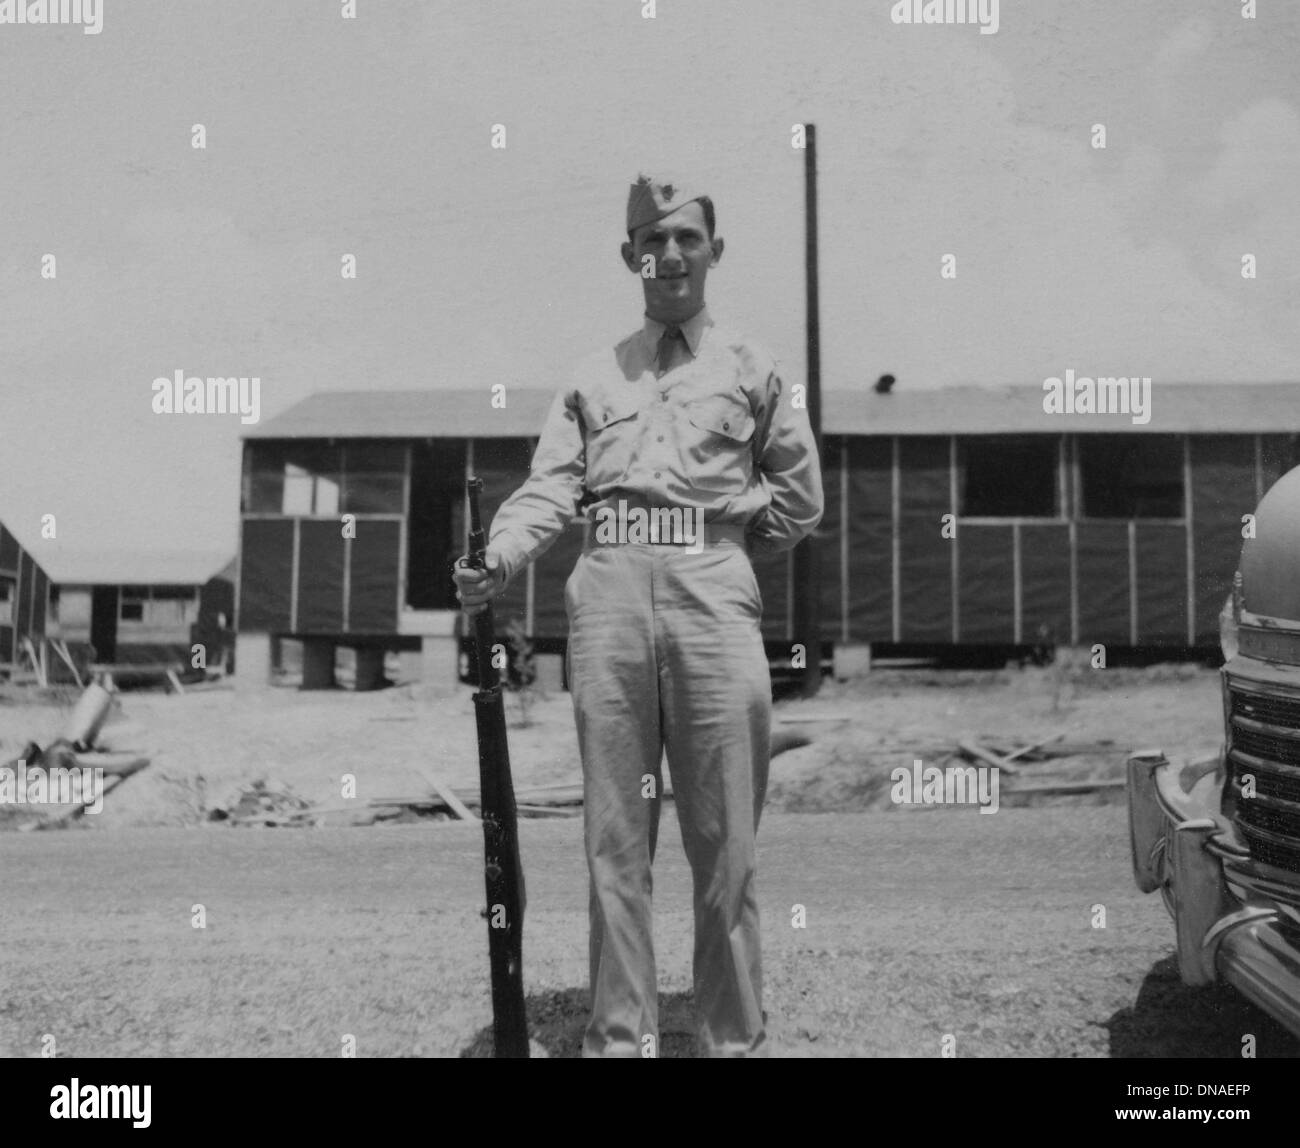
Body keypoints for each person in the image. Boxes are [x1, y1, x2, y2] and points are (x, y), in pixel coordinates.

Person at [453, 174, 823, 1057]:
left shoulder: (753, 366)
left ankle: (731, 1038)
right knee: (616, 843)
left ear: (713, 251)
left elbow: (801, 501)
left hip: (712, 600)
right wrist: (499, 555)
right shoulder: (592, 377)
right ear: (630, 258)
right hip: (610, 598)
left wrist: (719, 546)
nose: (670, 256)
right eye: (652, 243)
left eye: (688, 239)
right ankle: (621, 1038)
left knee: (725, 840)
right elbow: (552, 488)